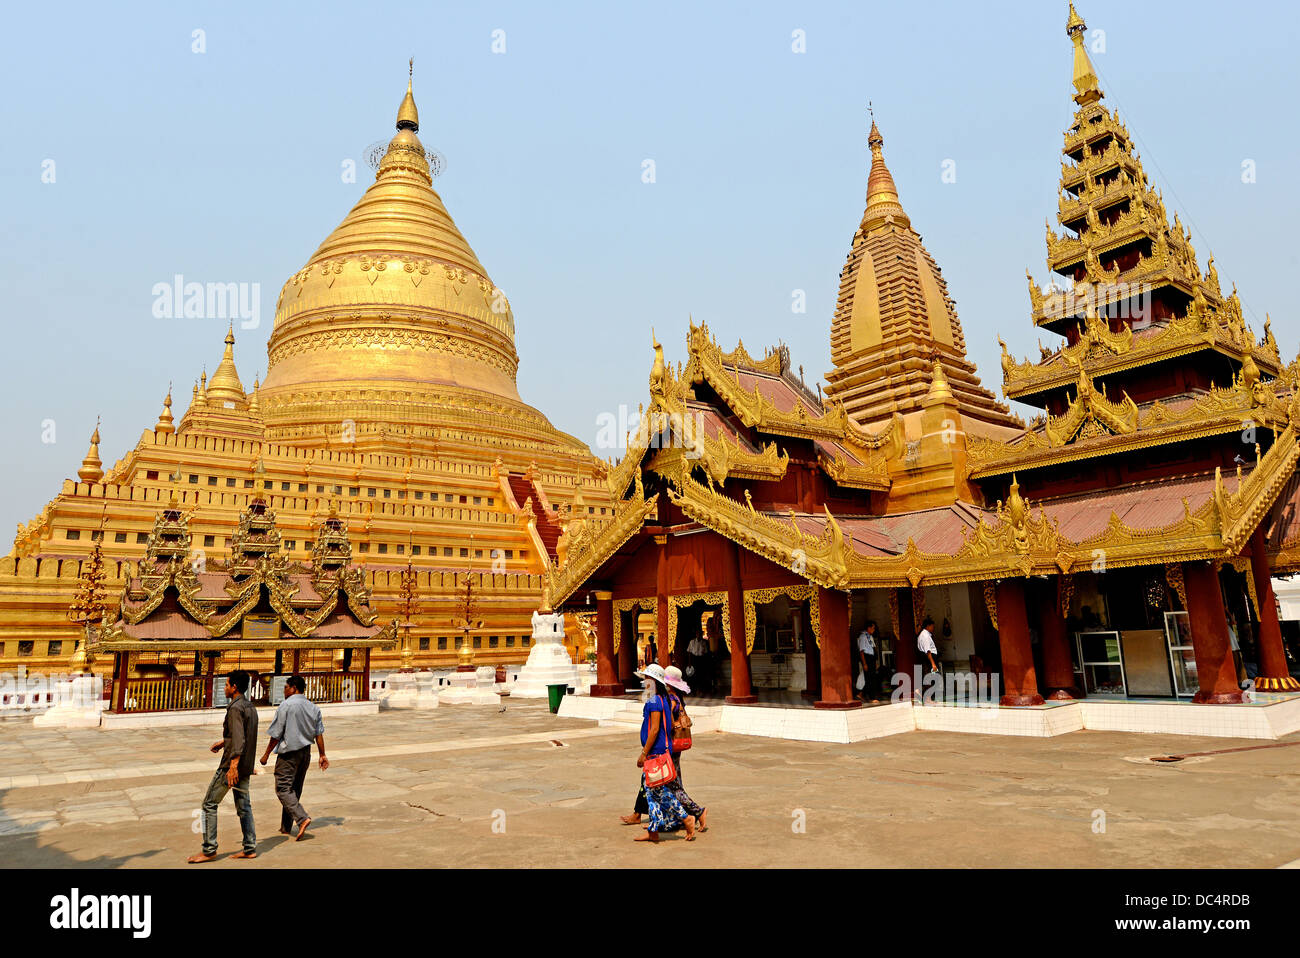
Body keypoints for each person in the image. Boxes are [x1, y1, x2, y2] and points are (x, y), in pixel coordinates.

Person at [188, 670, 258, 863]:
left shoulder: (235, 708)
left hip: (232, 766)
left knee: (209, 804)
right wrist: (223, 742)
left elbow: (239, 738)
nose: (225, 688)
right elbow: (242, 736)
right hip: (245, 765)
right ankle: (250, 847)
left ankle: (209, 849)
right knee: (244, 807)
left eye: (227, 684)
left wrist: (232, 766)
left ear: (234, 687)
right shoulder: (250, 706)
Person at [630, 664, 698, 843]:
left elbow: (654, 730)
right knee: (653, 792)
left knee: (661, 792)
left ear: (653, 681)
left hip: (655, 751)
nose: (644, 681)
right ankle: (654, 830)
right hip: (662, 749)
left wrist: (644, 753)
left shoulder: (654, 702)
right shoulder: (664, 699)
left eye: (647, 679)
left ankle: (687, 818)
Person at [259, 674, 329, 841]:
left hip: (289, 754)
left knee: (283, 788)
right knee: (294, 790)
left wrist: (266, 754)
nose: (284, 691)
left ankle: (302, 818)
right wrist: (322, 754)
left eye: (285, 687)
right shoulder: (313, 707)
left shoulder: (286, 705)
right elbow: (318, 733)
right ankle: (286, 826)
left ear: (293, 688)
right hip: (305, 753)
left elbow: (277, 733)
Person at [857, 620, 879, 702]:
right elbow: (861, 651)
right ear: (868, 628)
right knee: (869, 679)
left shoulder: (870, 637)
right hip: (867, 658)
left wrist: (876, 661)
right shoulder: (862, 636)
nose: (874, 630)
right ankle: (871, 697)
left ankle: (861, 694)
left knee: (872, 678)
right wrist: (864, 663)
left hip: (872, 658)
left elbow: (873, 648)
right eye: (873, 628)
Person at [687, 632, 711, 696]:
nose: (699, 635)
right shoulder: (692, 642)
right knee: (693, 676)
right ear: (696, 634)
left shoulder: (704, 642)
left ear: (702, 635)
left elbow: (705, 653)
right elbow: (689, 652)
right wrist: (689, 663)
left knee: (701, 676)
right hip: (694, 659)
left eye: (700, 634)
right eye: (697, 634)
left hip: (701, 660)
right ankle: (693, 691)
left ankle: (701, 691)